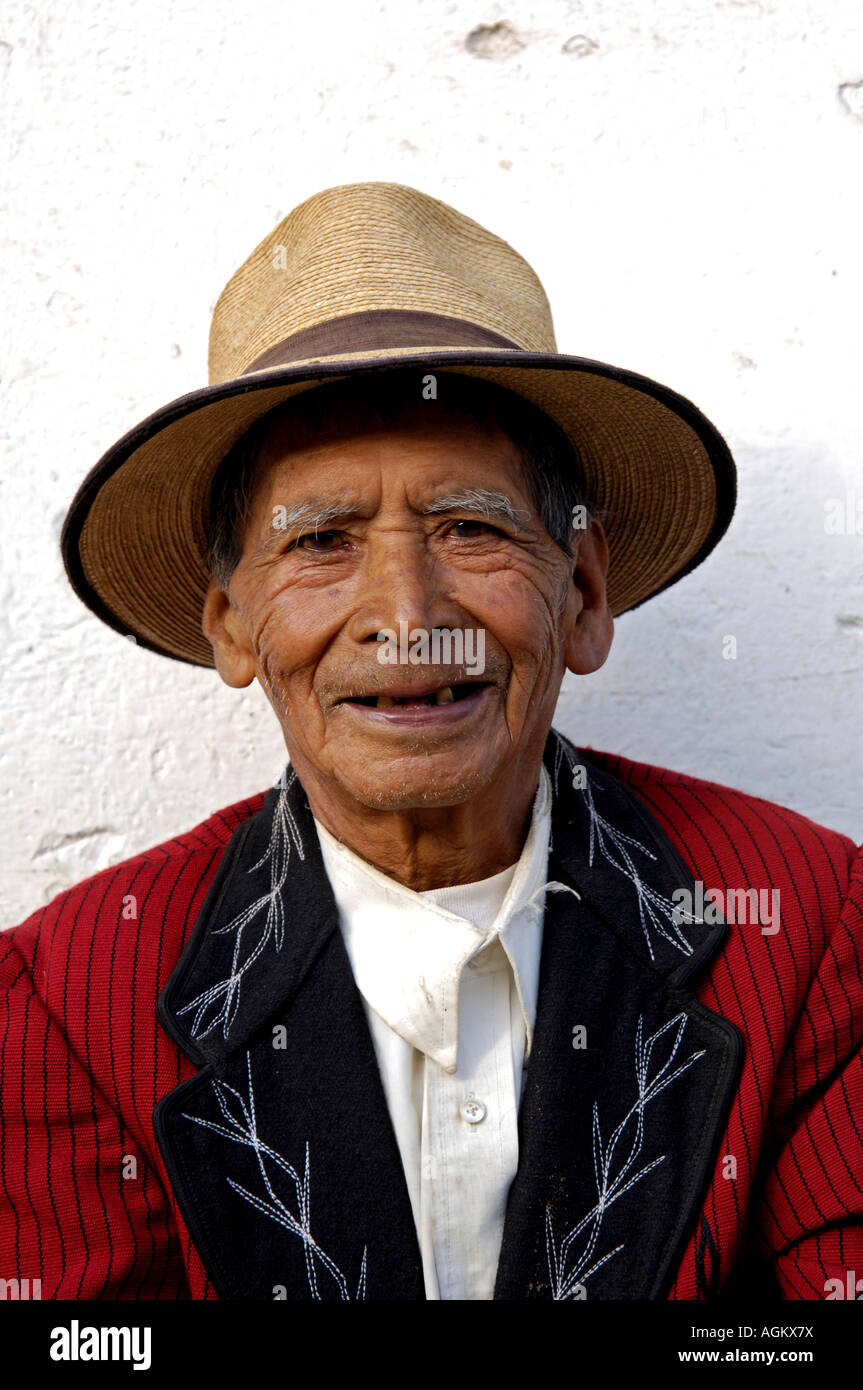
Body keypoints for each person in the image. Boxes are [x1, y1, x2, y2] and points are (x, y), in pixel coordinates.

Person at [1, 182, 861, 1302]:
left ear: (583, 595)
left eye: (470, 527)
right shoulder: (69, 996)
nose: (407, 613)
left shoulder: (805, 922)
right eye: (319, 540)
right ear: (233, 626)